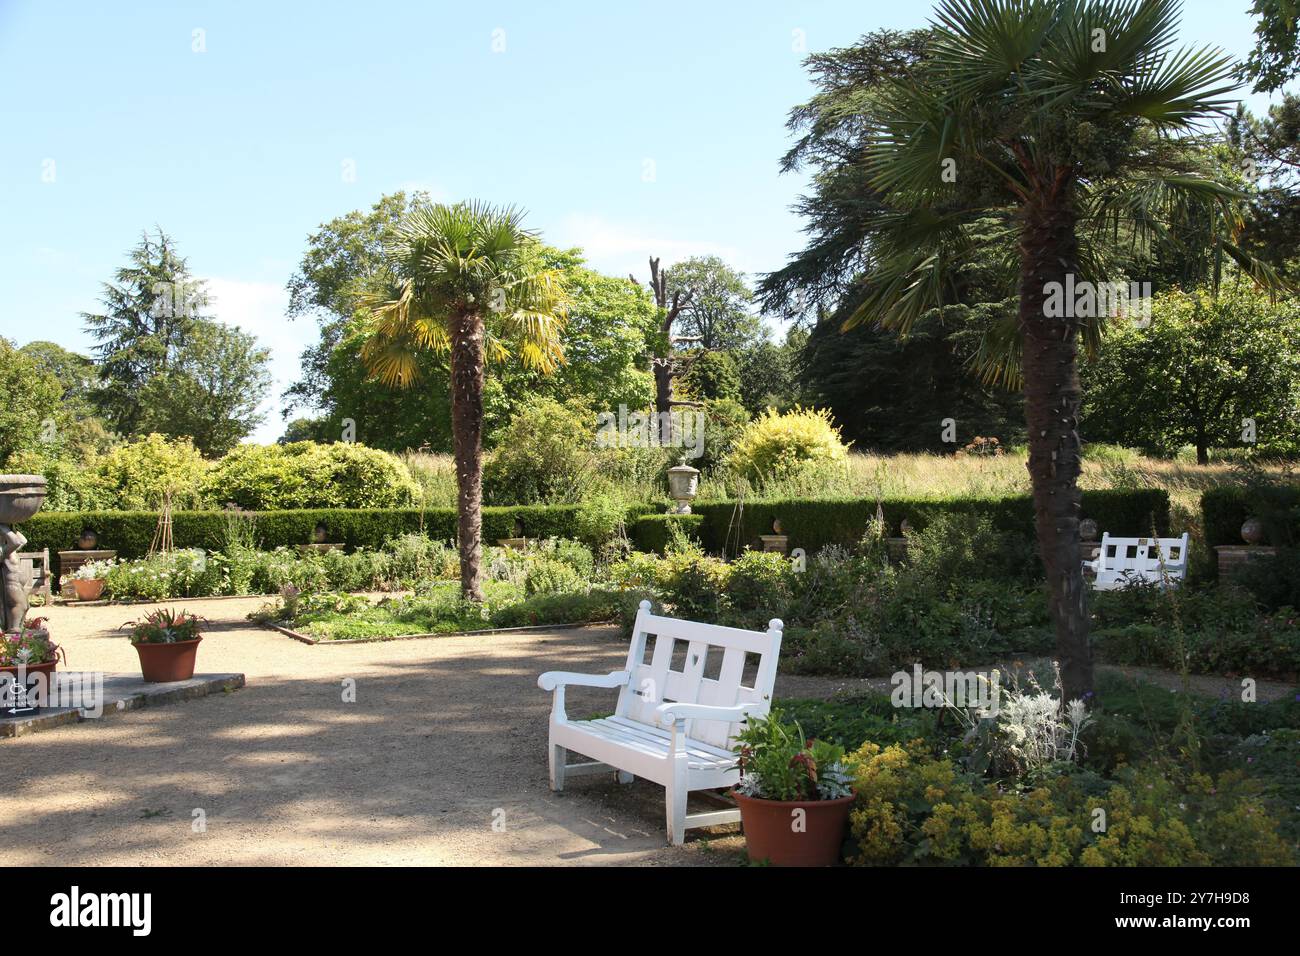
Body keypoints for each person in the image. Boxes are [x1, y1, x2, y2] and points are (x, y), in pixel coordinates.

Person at [0, 523, 31, 634]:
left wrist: (12, 526)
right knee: (20, 605)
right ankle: (13, 630)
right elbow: (16, 542)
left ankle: (18, 629)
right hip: (11, 583)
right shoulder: (3, 551)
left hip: (18, 583)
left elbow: (23, 540)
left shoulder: (11, 551)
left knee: (26, 606)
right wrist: (3, 528)